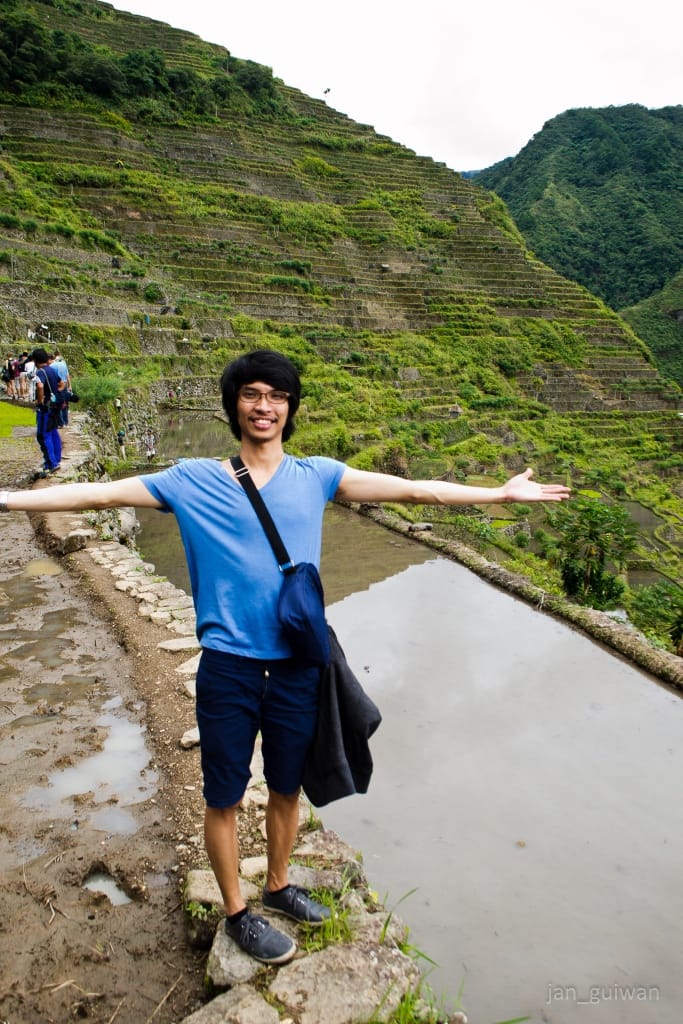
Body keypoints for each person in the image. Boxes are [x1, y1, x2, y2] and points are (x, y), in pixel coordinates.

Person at [0, 349, 570, 965]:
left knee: (286, 788)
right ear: (234, 405)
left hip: (299, 664)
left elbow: (416, 490)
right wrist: (7, 500)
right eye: (251, 394)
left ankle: (277, 885)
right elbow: (96, 495)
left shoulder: (317, 475)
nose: (264, 406)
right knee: (223, 795)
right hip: (229, 666)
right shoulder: (190, 480)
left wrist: (498, 494)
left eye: (276, 396)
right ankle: (235, 912)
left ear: (290, 407)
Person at [31, 347, 63, 475]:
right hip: (54, 406)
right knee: (53, 432)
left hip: (46, 408)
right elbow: (62, 383)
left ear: (35, 360)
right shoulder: (52, 370)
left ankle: (51, 463)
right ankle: (57, 459)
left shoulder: (40, 372)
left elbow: (40, 386)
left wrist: (40, 401)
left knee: (44, 435)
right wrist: (55, 394)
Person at [52, 350, 71, 426]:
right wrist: (70, 385)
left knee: (57, 404)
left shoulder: (53, 366)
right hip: (65, 385)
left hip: (58, 385)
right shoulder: (64, 365)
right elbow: (67, 376)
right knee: (64, 403)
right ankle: (65, 421)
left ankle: (61, 422)